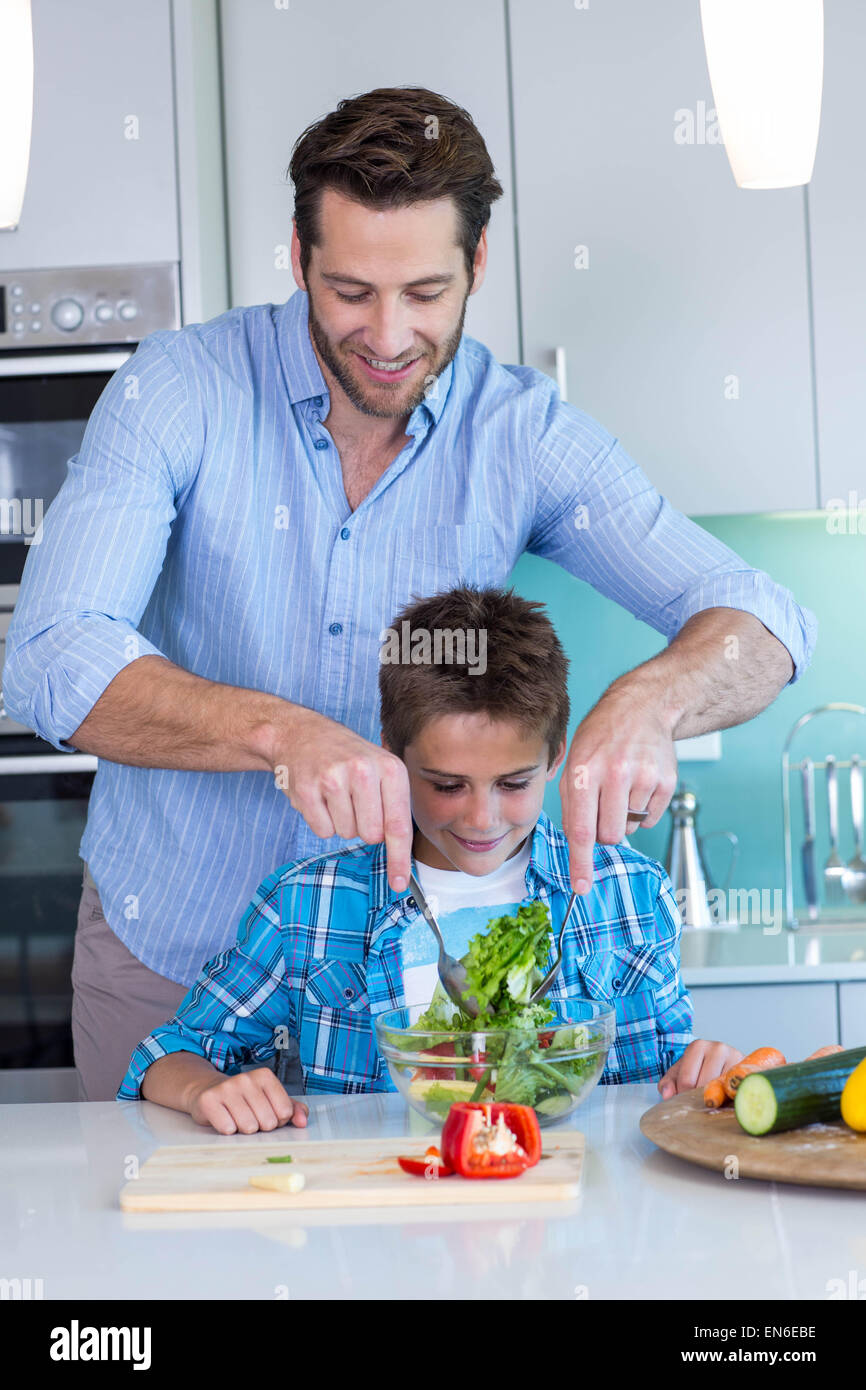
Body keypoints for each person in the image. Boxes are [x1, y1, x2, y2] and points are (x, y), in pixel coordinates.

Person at [4, 87, 811, 1101]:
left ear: (475, 267)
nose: (386, 335)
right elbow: (48, 655)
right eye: (348, 290)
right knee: (154, 1253)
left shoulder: (520, 431)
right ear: (296, 260)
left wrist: (655, 698)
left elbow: (762, 617)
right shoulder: (179, 389)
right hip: (169, 965)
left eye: (424, 292)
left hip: (407, 1003)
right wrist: (279, 733)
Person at [117, 586, 742, 1131]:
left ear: (556, 756)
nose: (481, 818)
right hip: (382, 1219)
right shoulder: (310, 904)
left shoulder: (630, 892)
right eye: (447, 785)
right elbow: (167, 1054)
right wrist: (205, 1088)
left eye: (514, 783)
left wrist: (699, 1070)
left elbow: (659, 1080)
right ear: (391, 755)